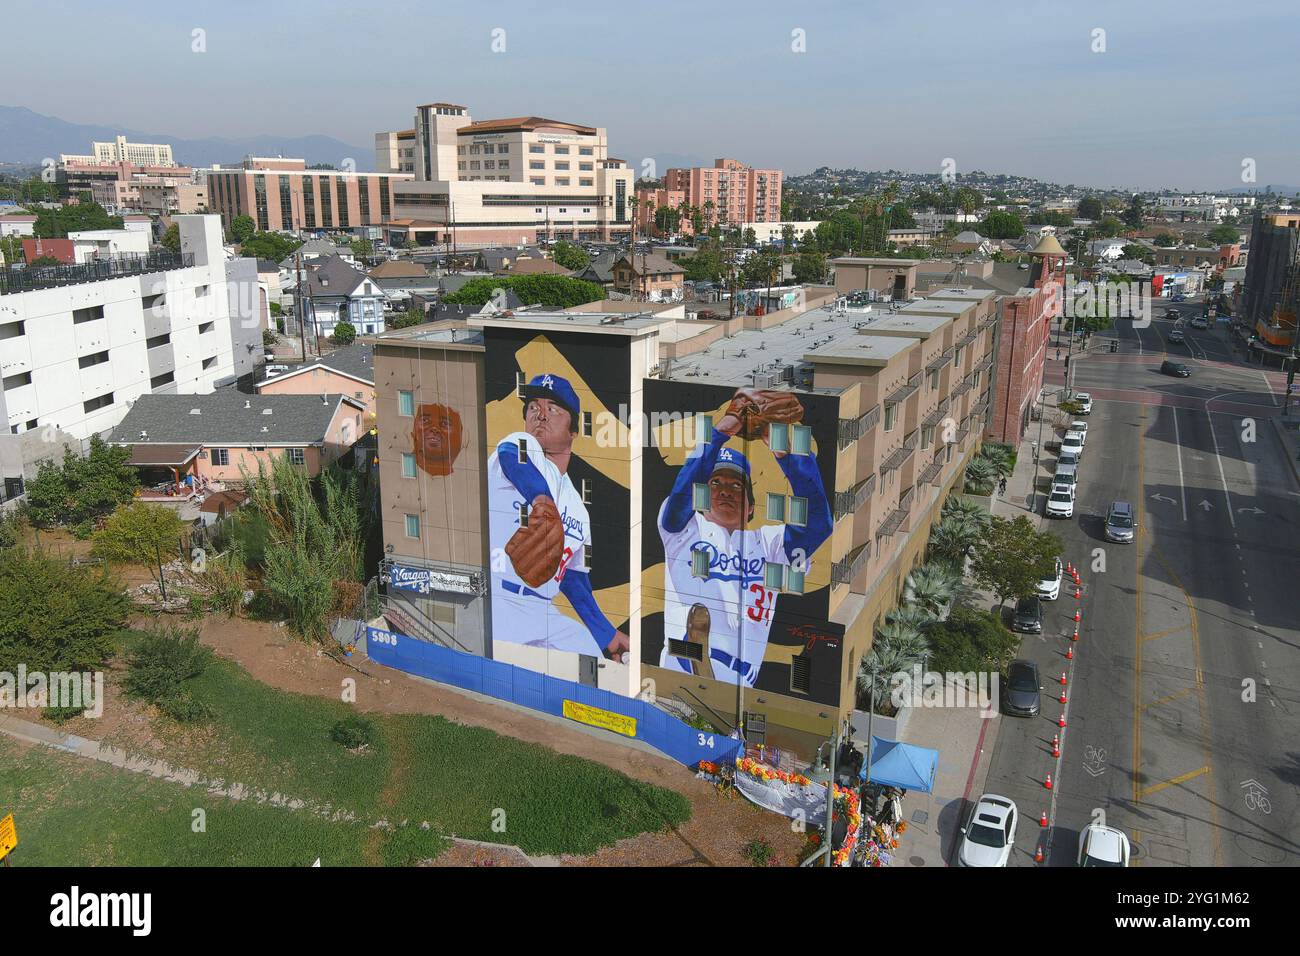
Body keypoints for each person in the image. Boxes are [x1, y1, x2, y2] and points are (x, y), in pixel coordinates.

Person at [656, 390, 832, 687]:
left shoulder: (767, 544)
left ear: (751, 507)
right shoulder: (685, 529)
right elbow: (682, 493)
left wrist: (783, 451)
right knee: (693, 645)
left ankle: (706, 671)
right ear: (701, 493)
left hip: (743, 680)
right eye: (715, 482)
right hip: (680, 662)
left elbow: (819, 523)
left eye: (736, 485)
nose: (724, 489)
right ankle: (697, 656)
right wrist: (721, 432)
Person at [487, 373, 630, 660]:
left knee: (595, 661)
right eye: (533, 407)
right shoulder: (521, 446)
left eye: (553, 409)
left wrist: (606, 632)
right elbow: (511, 457)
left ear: (573, 431)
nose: (540, 415)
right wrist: (542, 502)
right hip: (502, 603)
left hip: (544, 611)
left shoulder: (578, 508)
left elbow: (573, 579)